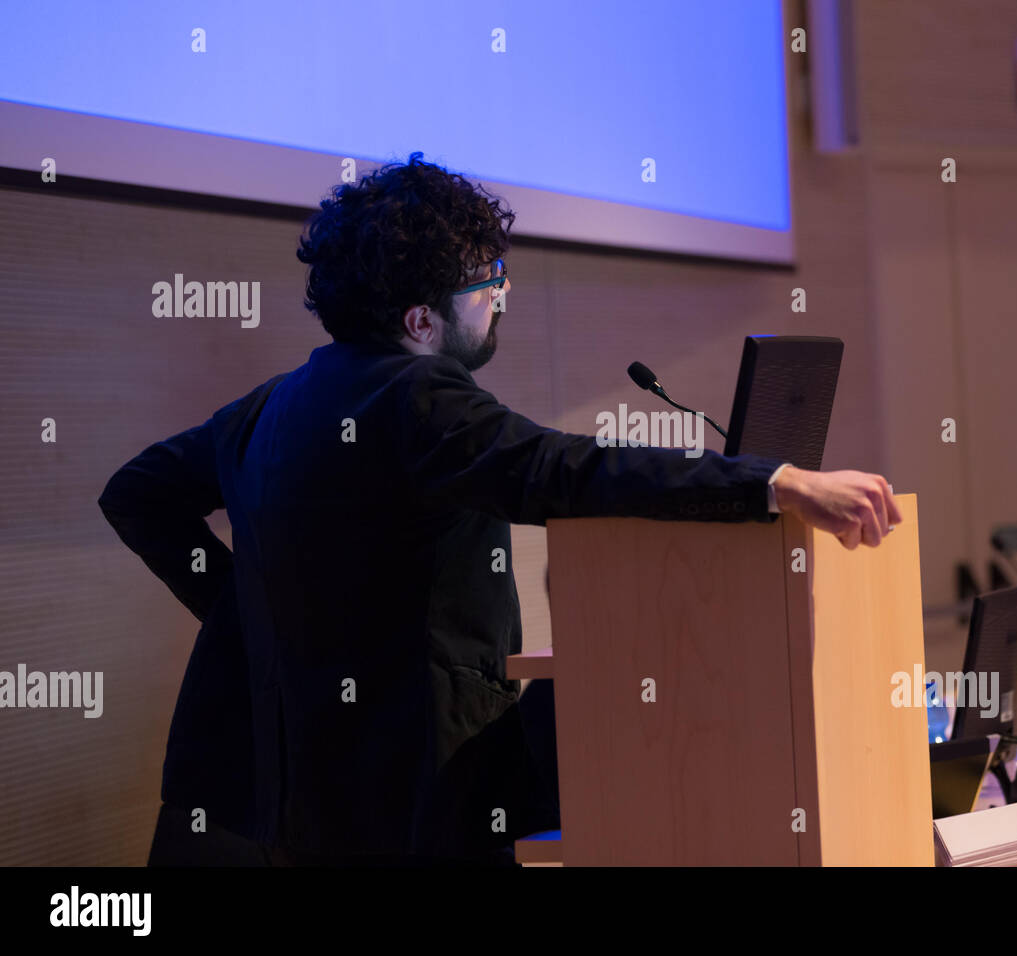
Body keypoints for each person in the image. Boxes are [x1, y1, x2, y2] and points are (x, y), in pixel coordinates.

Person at [99, 152, 902, 866]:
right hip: (414, 800)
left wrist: (239, 608)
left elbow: (136, 494)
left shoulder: (269, 406)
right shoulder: (419, 398)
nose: (502, 295)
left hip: (289, 806)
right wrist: (776, 482)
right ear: (420, 320)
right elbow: (565, 469)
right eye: (486, 282)